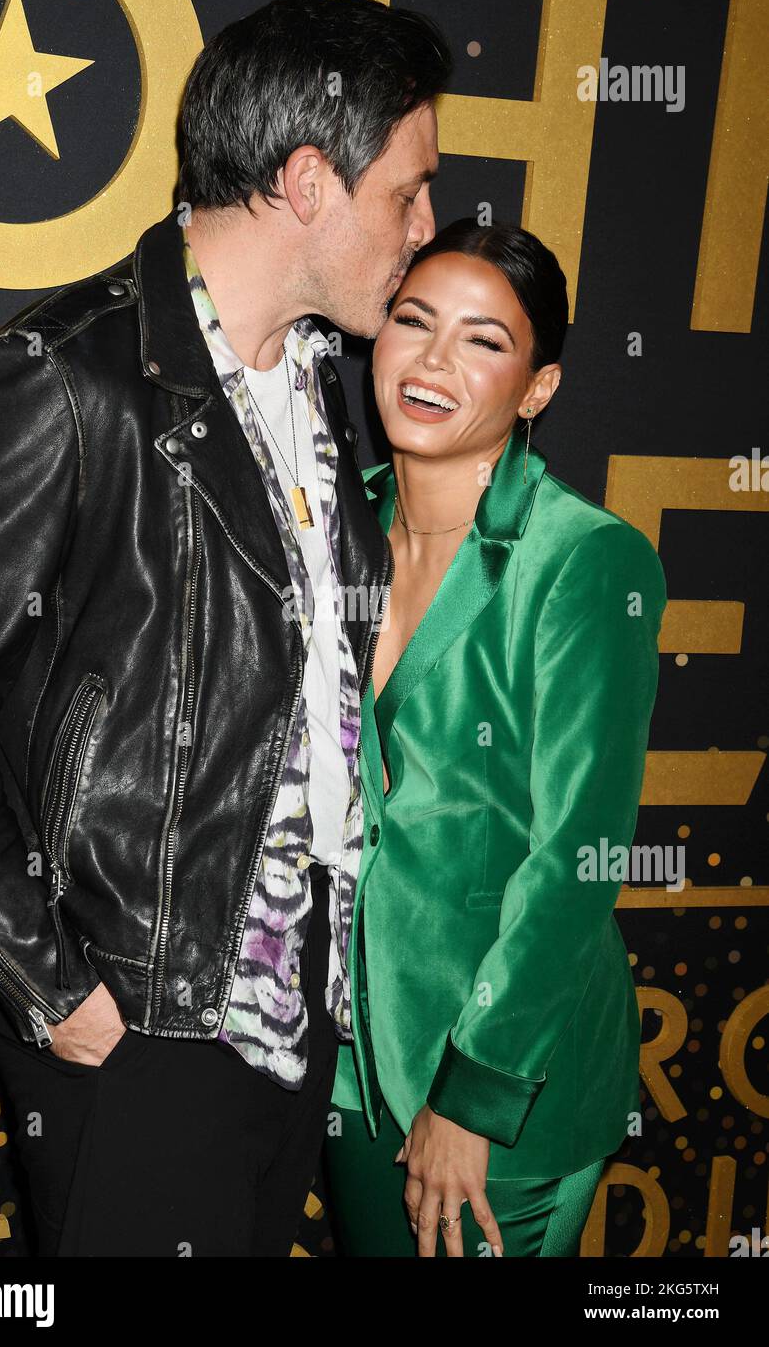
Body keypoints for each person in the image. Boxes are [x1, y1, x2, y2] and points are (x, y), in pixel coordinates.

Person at [0, 0, 450, 1256]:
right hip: (137, 1018)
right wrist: (56, 993)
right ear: (309, 181)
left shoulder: (319, 386)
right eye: (405, 194)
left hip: (290, 1006)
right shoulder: (61, 380)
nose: (425, 230)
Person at [324, 218, 667, 1258]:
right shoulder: (331, 525)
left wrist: (472, 1097)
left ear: (536, 387)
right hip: (344, 1058)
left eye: (481, 340)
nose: (431, 361)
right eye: (412, 322)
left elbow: (576, 859)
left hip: (499, 1079)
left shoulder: (583, 562)